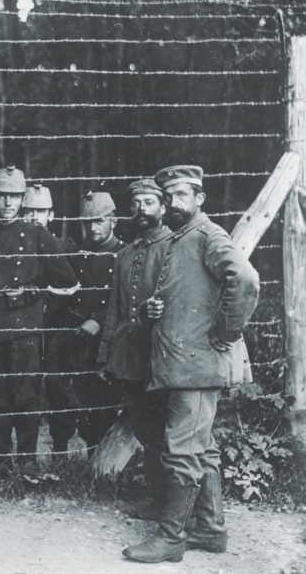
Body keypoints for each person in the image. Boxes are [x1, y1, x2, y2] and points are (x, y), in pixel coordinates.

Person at [122, 165, 260, 564]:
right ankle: (210, 529)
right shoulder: (180, 238)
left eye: (183, 195)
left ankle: (170, 538)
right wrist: (155, 308)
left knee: (181, 449)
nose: (174, 204)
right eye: (169, 197)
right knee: (204, 448)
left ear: (200, 198)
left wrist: (225, 333)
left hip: (197, 366)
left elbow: (246, 279)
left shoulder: (207, 235)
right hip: (180, 364)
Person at [0, 166, 78, 475]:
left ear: (22, 198)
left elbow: (67, 281)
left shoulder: (35, 234)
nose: (8, 204)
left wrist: (36, 303)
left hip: (24, 330)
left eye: (14, 197)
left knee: (26, 396)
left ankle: (27, 463)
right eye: (1, 197)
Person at [97, 179, 172, 521]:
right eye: (137, 203)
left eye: (149, 202)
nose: (142, 209)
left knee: (168, 433)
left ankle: (176, 505)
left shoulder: (174, 246)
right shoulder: (125, 254)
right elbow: (114, 308)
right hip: (130, 358)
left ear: (163, 207)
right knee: (144, 429)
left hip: (163, 358)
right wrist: (105, 355)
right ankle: (158, 501)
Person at [57, 191, 124, 454]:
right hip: (81, 341)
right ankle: (93, 465)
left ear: (113, 220)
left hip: (112, 341)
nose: (93, 228)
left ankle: (108, 468)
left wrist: (97, 320)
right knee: (85, 403)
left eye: (99, 221)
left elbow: (126, 299)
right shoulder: (79, 254)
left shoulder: (125, 253)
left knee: (107, 405)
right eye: (88, 223)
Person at [20, 184, 82, 455]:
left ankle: (60, 449)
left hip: (56, 327)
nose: (34, 217)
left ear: (51, 215)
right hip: (24, 329)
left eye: (40, 212)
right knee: (24, 389)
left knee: (59, 387)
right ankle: (25, 454)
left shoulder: (64, 247)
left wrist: (44, 298)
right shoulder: (14, 249)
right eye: (29, 212)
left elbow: (73, 288)